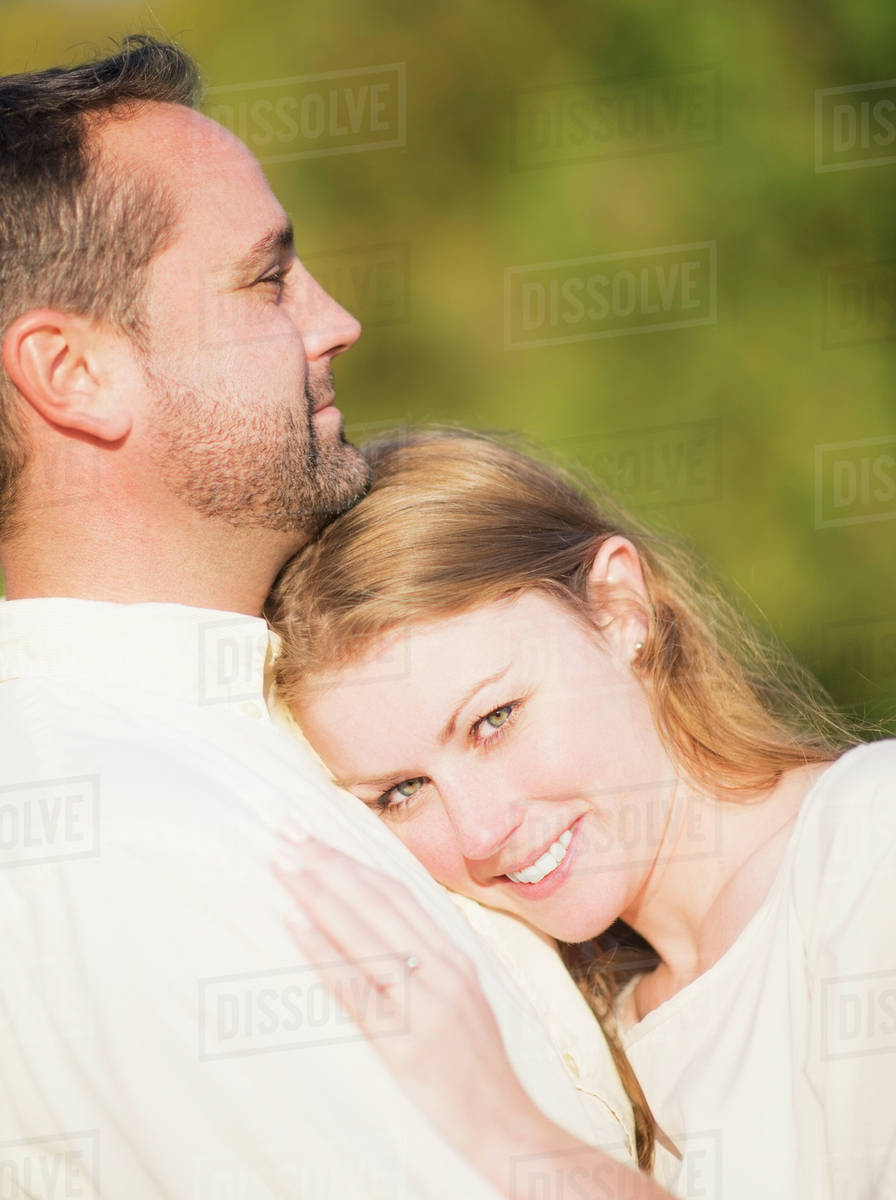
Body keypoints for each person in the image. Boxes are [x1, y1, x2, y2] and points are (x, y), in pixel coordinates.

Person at [0, 38, 660, 1200]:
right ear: (74, 375)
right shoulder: (133, 837)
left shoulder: (220, 742)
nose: (335, 320)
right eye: (265, 280)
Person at [268, 427, 896, 1200]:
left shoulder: (869, 840)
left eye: (493, 720)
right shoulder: (601, 1035)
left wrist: (498, 1123)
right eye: (402, 792)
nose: (479, 830)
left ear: (616, 608)